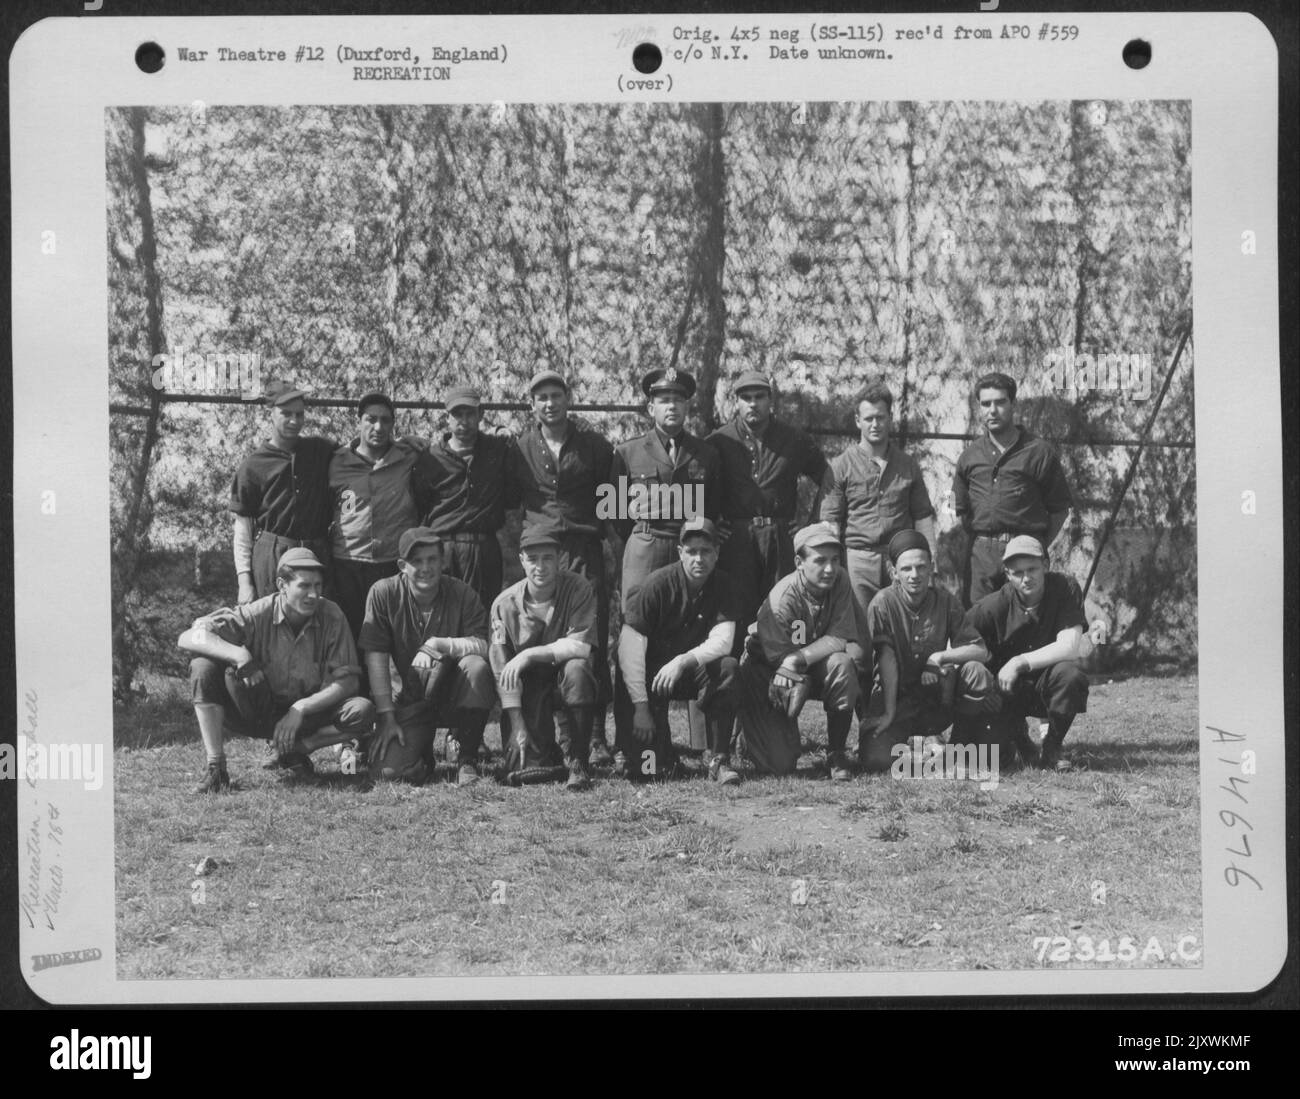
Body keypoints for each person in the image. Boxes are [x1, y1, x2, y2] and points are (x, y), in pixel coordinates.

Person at [178, 548, 374, 793]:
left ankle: (296, 749)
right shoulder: (258, 612)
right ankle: (216, 768)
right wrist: (239, 654)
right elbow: (188, 637)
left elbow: (349, 683)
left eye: (318, 586)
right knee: (202, 667)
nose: (313, 594)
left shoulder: (332, 616)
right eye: (304, 586)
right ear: (282, 585)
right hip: (256, 710)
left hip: (305, 717)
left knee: (361, 710)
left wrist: (301, 708)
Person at [507, 369, 617, 768]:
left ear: (568, 399)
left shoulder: (595, 447)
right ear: (532, 405)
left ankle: (596, 735)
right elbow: (511, 501)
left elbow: (612, 500)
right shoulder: (519, 449)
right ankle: (557, 731)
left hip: (584, 549)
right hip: (542, 552)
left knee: (592, 637)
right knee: (542, 634)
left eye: (556, 395)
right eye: (542, 398)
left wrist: (606, 538)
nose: (550, 403)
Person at [359, 527, 496, 786]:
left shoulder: (462, 592)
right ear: (402, 565)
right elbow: (375, 657)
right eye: (417, 561)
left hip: (455, 694)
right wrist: (387, 717)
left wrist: (438, 644)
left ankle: (467, 758)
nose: (426, 567)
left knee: (476, 666)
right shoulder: (383, 592)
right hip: (411, 698)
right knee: (386, 773)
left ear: (443, 561)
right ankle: (420, 757)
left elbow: (483, 645)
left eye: (432, 559)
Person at [614, 516, 743, 785]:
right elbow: (630, 649)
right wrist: (640, 707)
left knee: (728, 667)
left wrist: (683, 660)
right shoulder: (655, 585)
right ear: (680, 553)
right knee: (649, 772)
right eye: (692, 551)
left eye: (706, 551)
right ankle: (654, 755)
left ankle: (719, 759)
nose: (699, 559)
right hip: (653, 679)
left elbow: (723, 640)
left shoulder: (725, 584)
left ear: (717, 554)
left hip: (691, 672)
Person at [707, 370, 828, 651]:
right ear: (735, 402)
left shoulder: (793, 440)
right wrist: (713, 524)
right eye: (745, 397)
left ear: (770, 400)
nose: (753, 403)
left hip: (780, 537)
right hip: (737, 539)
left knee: (788, 606)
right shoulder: (717, 442)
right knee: (736, 610)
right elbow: (700, 487)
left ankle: (791, 671)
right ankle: (736, 678)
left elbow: (827, 477)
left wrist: (812, 525)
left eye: (759, 396)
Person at [858, 530, 995, 772]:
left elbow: (980, 650)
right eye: (906, 569)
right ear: (893, 572)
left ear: (931, 567)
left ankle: (957, 749)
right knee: (877, 761)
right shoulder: (882, 604)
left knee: (977, 673)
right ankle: (910, 745)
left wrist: (939, 657)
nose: (915, 575)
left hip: (936, 696)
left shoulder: (946, 602)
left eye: (921, 567)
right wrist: (888, 711)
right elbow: (885, 660)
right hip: (896, 696)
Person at [735, 523, 863, 781]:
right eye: (820, 561)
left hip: (802, 661)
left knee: (842, 664)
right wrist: (795, 667)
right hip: (766, 666)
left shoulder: (840, 580)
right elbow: (779, 661)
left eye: (835, 560)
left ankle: (836, 751)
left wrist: (799, 659)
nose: (829, 568)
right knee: (779, 765)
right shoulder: (782, 597)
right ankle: (746, 737)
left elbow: (839, 638)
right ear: (799, 562)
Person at [956, 536, 1090, 771]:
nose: (1026, 578)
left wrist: (1019, 662)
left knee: (1071, 675)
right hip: (1005, 692)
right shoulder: (992, 605)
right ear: (1007, 574)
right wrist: (984, 688)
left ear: (1046, 566)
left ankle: (1052, 748)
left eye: (1032, 569)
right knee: (992, 758)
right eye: (1017, 572)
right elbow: (956, 645)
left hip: (1045, 685)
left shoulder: (1065, 588)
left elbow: (1070, 646)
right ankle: (1016, 735)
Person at [488, 520, 600, 790]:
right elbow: (501, 669)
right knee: (524, 764)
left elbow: (580, 646)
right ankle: (546, 751)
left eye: (548, 558)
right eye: (533, 559)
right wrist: (517, 724)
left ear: (560, 559)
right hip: (529, 688)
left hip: (564, 678)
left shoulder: (578, 588)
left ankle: (578, 761)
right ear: (521, 561)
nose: (540, 566)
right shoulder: (504, 605)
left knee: (578, 669)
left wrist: (528, 655)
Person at [818, 380, 936, 631]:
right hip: (858, 559)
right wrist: (831, 567)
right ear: (857, 420)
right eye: (869, 418)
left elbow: (923, 519)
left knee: (901, 628)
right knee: (861, 628)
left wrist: (930, 564)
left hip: (899, 560)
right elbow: (830, 523)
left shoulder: (908, 465)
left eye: (880, 417)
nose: (875, 424)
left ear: (890, 418)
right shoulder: (840, 465)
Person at [953, 372, 1074, 605]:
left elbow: (1060, 510)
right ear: (979, 407)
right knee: (978, 625)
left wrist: (1035, 546)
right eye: (986, 404)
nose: (993, 410)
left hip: (1025, 554)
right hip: (982, 557)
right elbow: (952, 502)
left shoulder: (1039, 452)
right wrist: (969, 534)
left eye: (1000, 402)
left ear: (1013, 404)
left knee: (1026, 626)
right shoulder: (969, 456)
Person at [609, 367, 722, 610]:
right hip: (646, 547)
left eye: (679, 401)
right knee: (638, 616)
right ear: (651, 408)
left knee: (685, 616)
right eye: (664, 401)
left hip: (690, 550)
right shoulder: (628, 452)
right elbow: (615, 513)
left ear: (687, 407)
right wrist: (643, 533)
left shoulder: (706, 454)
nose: (672, 407)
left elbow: (712, 508)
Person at [328, 392, 436, 640]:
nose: (378, 427)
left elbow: (441, 450)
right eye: (371, 419)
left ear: (393, 425)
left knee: (397, 636)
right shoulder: (336, 461)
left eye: (386, 421)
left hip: (392, 561)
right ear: (359, 422)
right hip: (348, 562)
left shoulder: (409, 455)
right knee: (353, 636)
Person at [229, 380, 336, 603]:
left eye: (299, 414)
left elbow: (357, 453)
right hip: (273, 554)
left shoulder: (320, 451)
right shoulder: (253, 465)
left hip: (316, 553)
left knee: (317, 624)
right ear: (271, 414)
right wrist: (244, 583)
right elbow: (243, 530)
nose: (294, 421)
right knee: (272, 623)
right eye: (286, 413)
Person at [419, 385, 512, 614]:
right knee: (441, 614)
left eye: (470, 414)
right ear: (447, 418)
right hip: (444, 547)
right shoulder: (431, 457)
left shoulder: (497, 450)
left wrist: (504, 431)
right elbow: (420, 504)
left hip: (482, 548)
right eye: (457, 414)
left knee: (480, 615)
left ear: (481, 415)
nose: (464, 420)